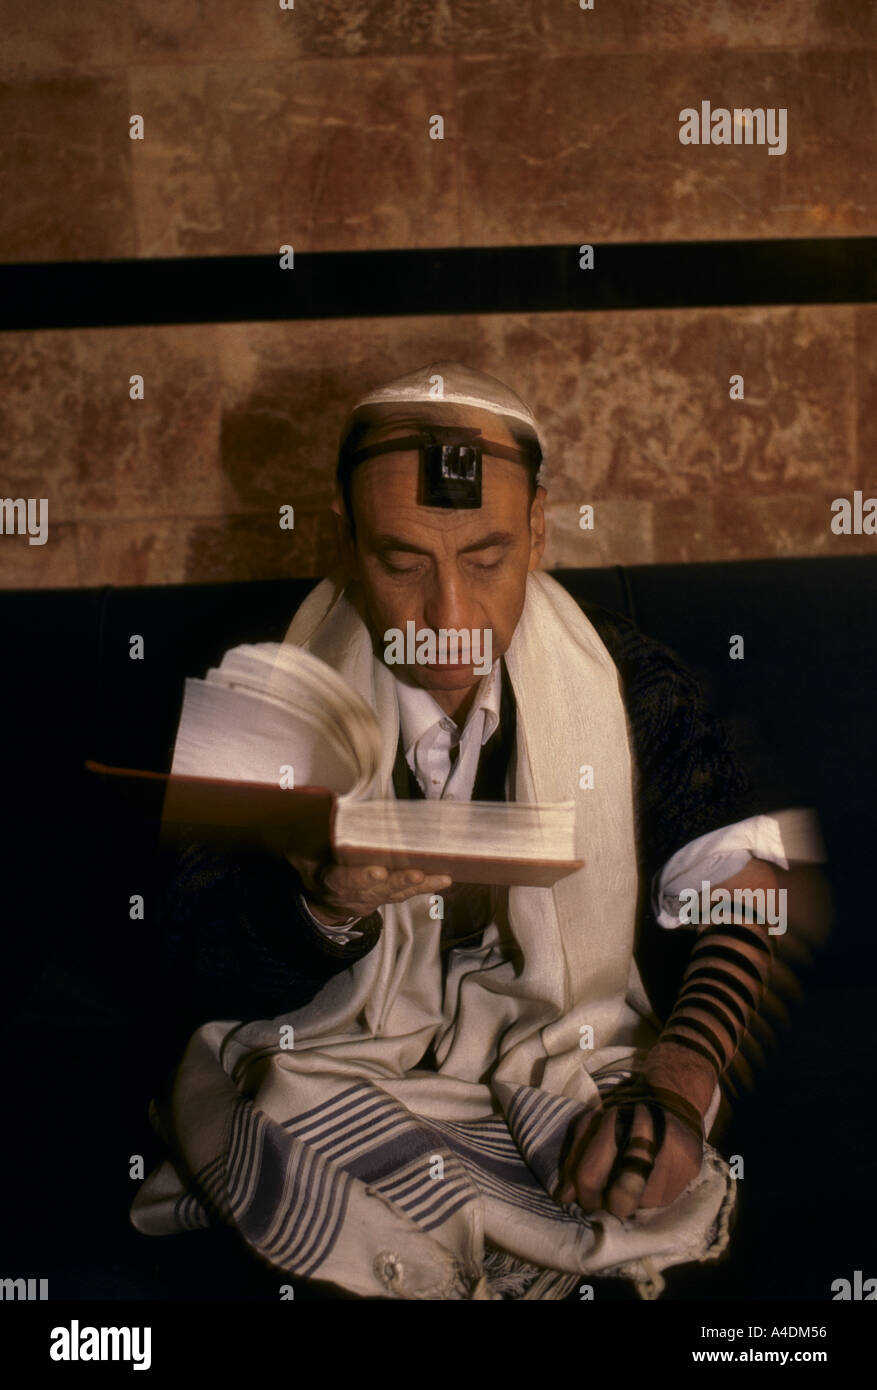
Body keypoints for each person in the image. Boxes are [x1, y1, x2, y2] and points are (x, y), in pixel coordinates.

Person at [134, 361, 824, 1300]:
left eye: (487, 559)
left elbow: (740, 889)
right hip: (341, 1068)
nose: (448, 621)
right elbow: (192, 975)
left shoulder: (630, 683)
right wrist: (320, 906)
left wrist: (678, 1079)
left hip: (561, 1063)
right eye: (402, 562)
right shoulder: (262, 688)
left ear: (539, 530)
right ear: (344, 541)